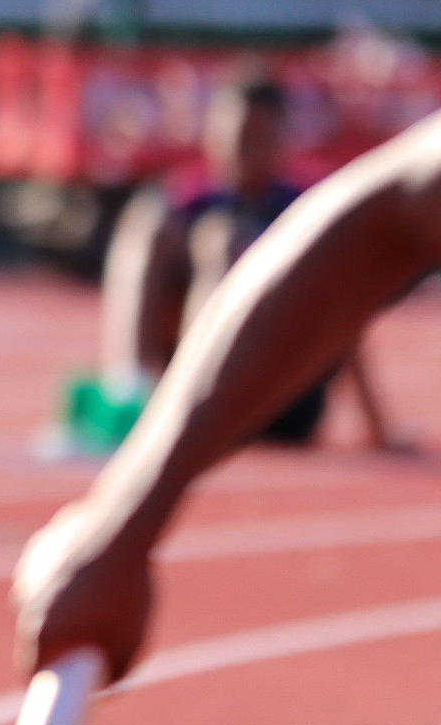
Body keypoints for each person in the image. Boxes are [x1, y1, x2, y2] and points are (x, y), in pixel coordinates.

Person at [14, 108, 441, 686]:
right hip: (243, 382)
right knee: (193, 242)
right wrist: (123, 523)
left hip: (291, 404)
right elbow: (380, 223)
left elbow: (375, 242)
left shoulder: (285, 196)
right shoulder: (191, 203)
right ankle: (132, 381)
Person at [96, 76, 402, 450]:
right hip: (185, 380)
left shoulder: (304, 208)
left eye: (256, 138)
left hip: (283, 398)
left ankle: (198, 398)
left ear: (279, 142)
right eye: (234, 136)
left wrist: (377, 426)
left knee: (227, 243)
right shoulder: (188, 200)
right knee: (148, 230)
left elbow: (346, 314)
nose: (241, 150)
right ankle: (129, 387)